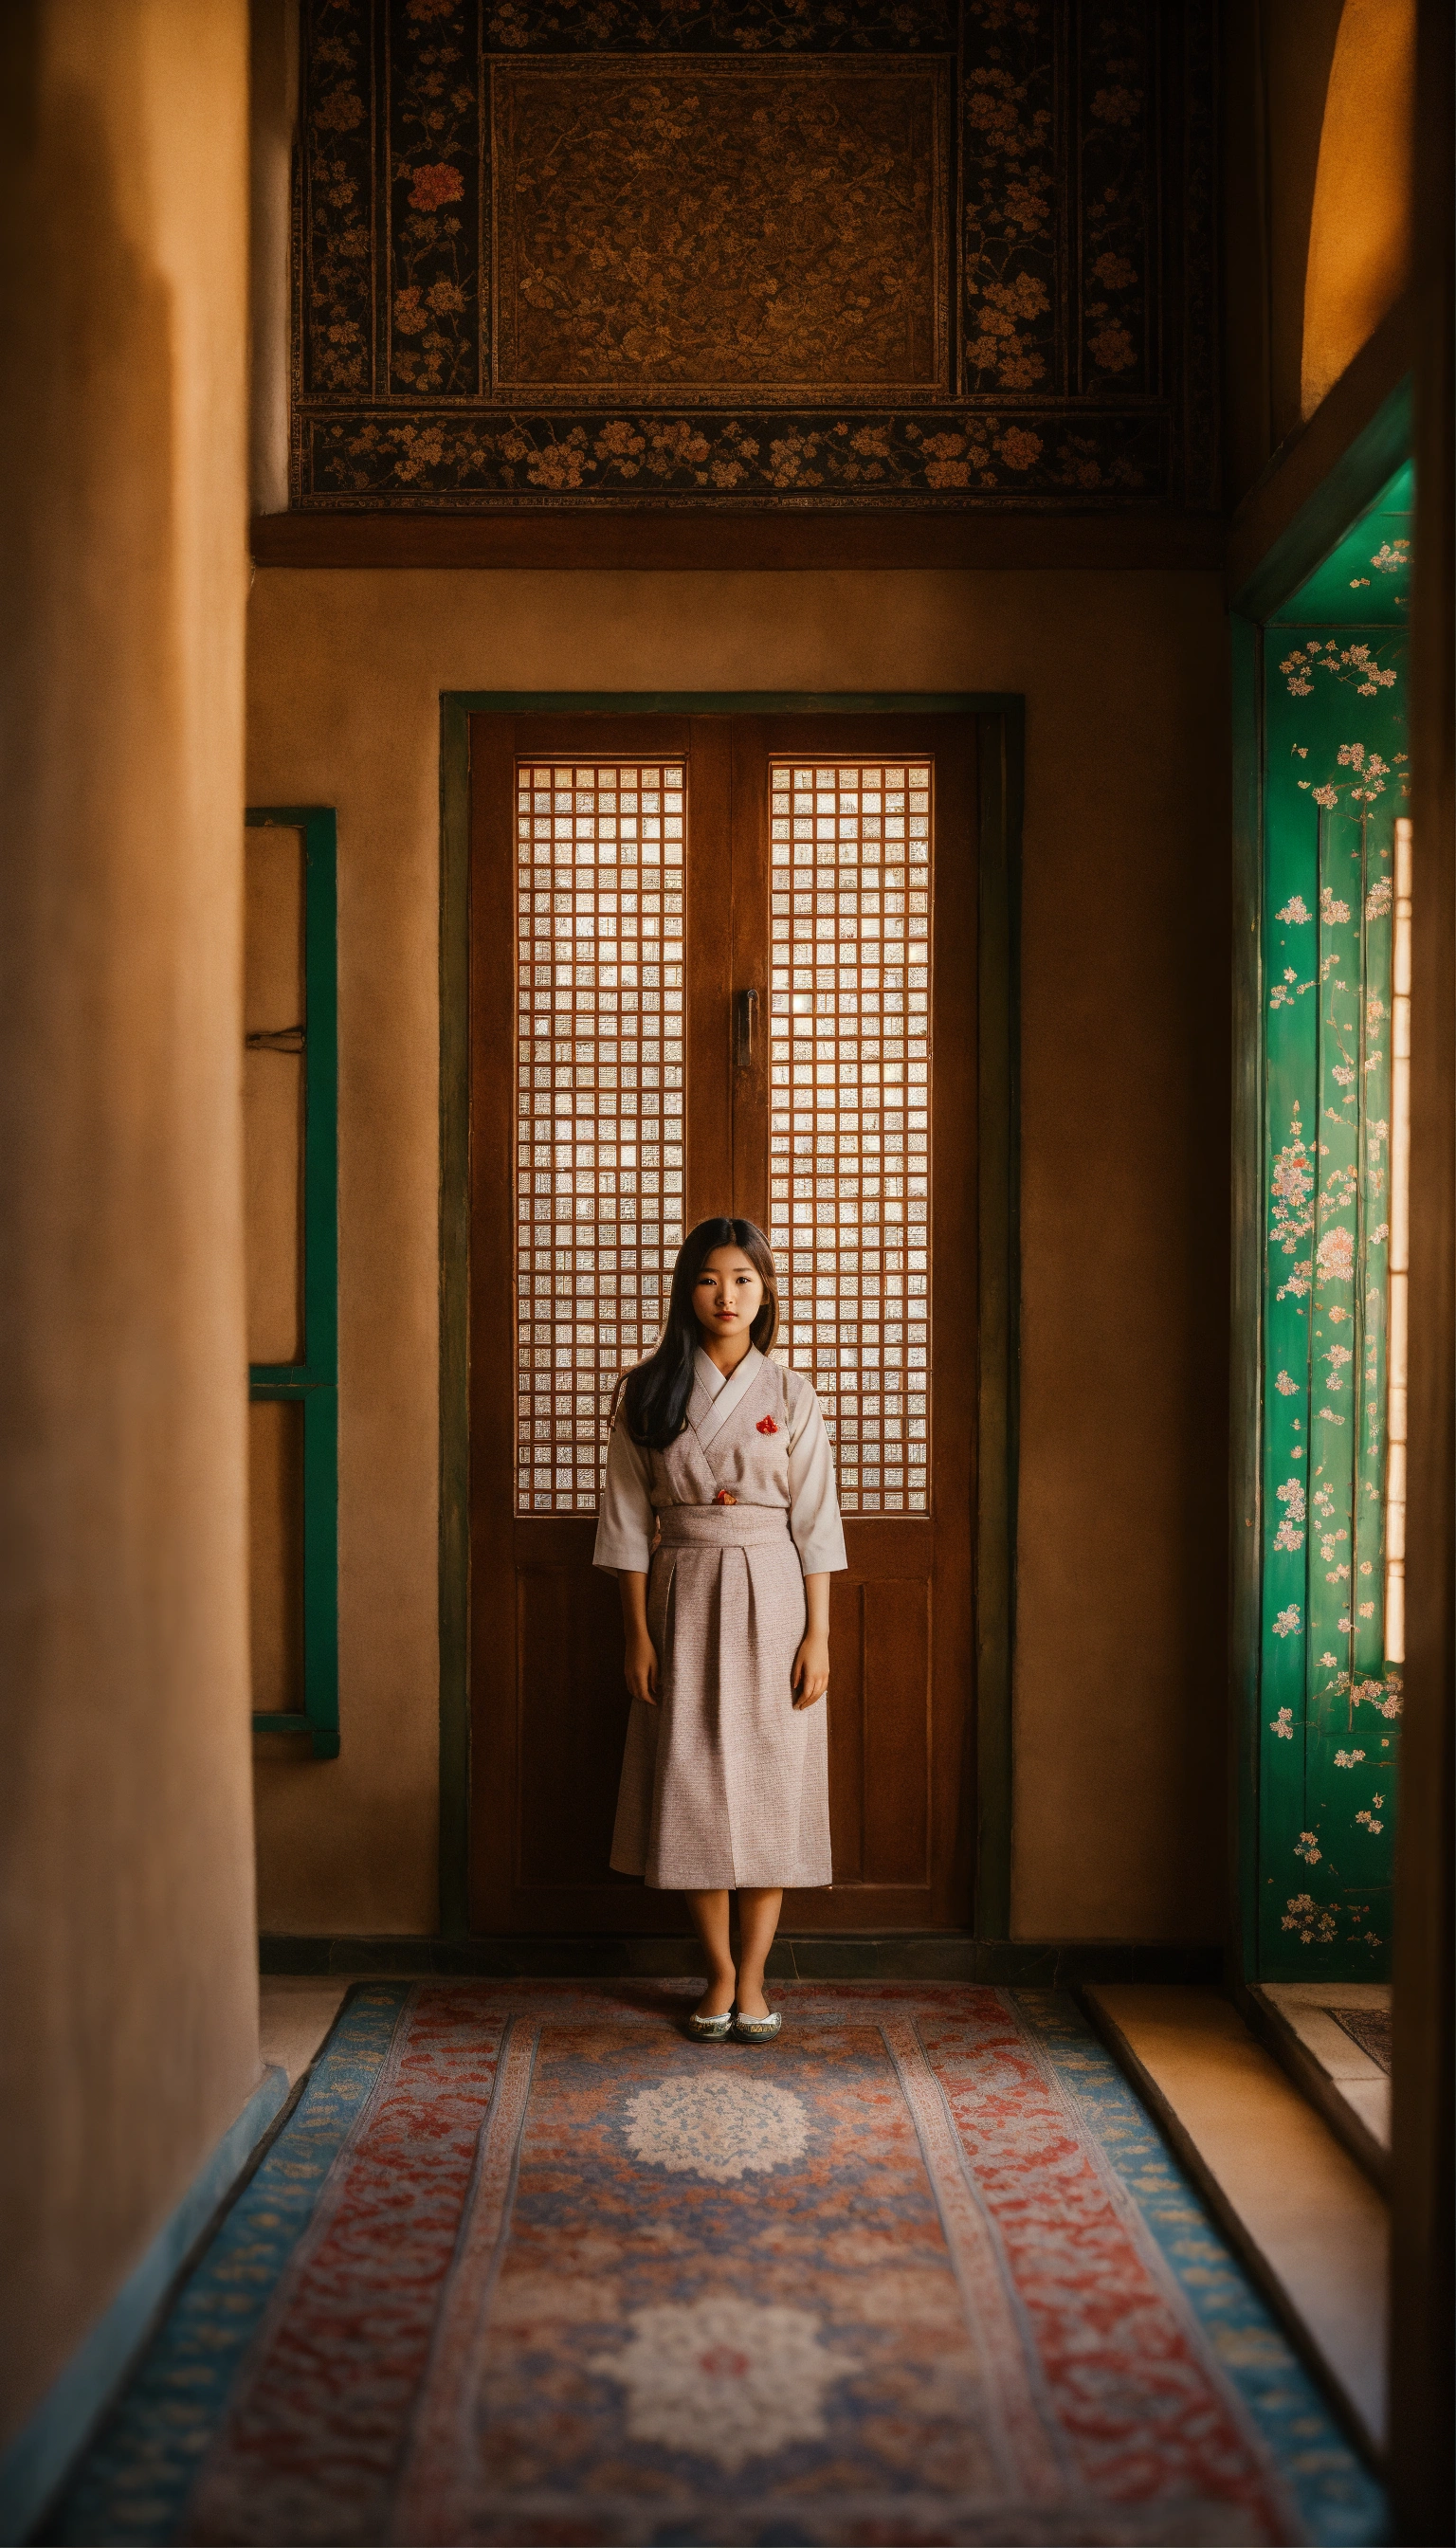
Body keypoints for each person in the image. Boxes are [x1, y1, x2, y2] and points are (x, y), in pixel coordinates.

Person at [593, 1217, 846, 2043]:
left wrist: (820, 1636)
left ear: (764, 1289)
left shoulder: (792, 1393)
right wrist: (636, 1633)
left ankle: (760, 1976)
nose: (726, 1295)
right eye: (709, 1279)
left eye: (743, 1278)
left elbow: (816, 1524)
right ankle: (719, 1973)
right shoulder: (647, 1390)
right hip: (683, 1592)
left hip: (775, 1595)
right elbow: (627, 1524)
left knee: (773, 1780)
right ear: (686, 1290)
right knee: (693, 1778)